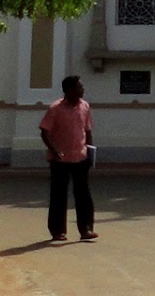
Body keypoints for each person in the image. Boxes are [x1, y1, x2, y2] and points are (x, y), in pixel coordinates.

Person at [39, 74, 97, 243]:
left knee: (83, 195)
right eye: (80, 86)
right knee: (58, 195)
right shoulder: (55, 109)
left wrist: (90, 151)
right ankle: (58, 231)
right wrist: (54, 150)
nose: (83, 89)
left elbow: (87, 131)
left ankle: (86, 229)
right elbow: (45, 131)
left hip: (80, 157)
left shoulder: (85, 106)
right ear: (70, 90)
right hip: (60, 160)